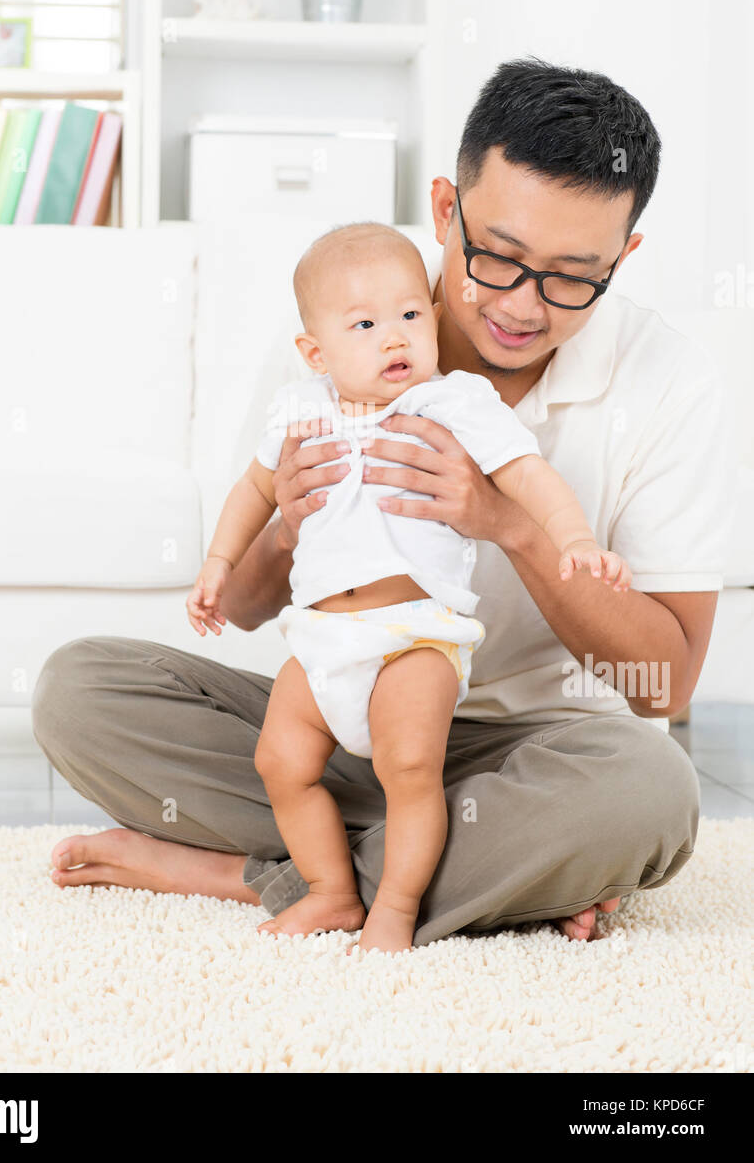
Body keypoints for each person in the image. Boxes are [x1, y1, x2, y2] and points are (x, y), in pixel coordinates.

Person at [33, 59, 730, 947]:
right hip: (334, 709)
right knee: (78, 689)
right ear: (445, 208)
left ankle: (249, 878)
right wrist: (286, 522)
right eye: (499, 258)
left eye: (571, 278)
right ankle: (488, 874)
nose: (521, 306)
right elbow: (246, 608)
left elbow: (662, 683)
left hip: (521, 755)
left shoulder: (669, 382)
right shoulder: (344, 318)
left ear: (622, 257)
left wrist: (507, 525)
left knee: (646, 793)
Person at [186, 222, 632, 953]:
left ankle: (394, 906)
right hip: (321, 643)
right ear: (314, 352)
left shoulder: (452, 401)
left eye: (409, 315)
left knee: (410, 767)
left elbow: (528, 476)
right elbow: (251, 489)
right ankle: (332, 891)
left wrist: (574, 540)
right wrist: (217, 563)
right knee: (279, 761)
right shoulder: (302, 408)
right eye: (364, 324)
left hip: (413, 639)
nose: (393, 338)